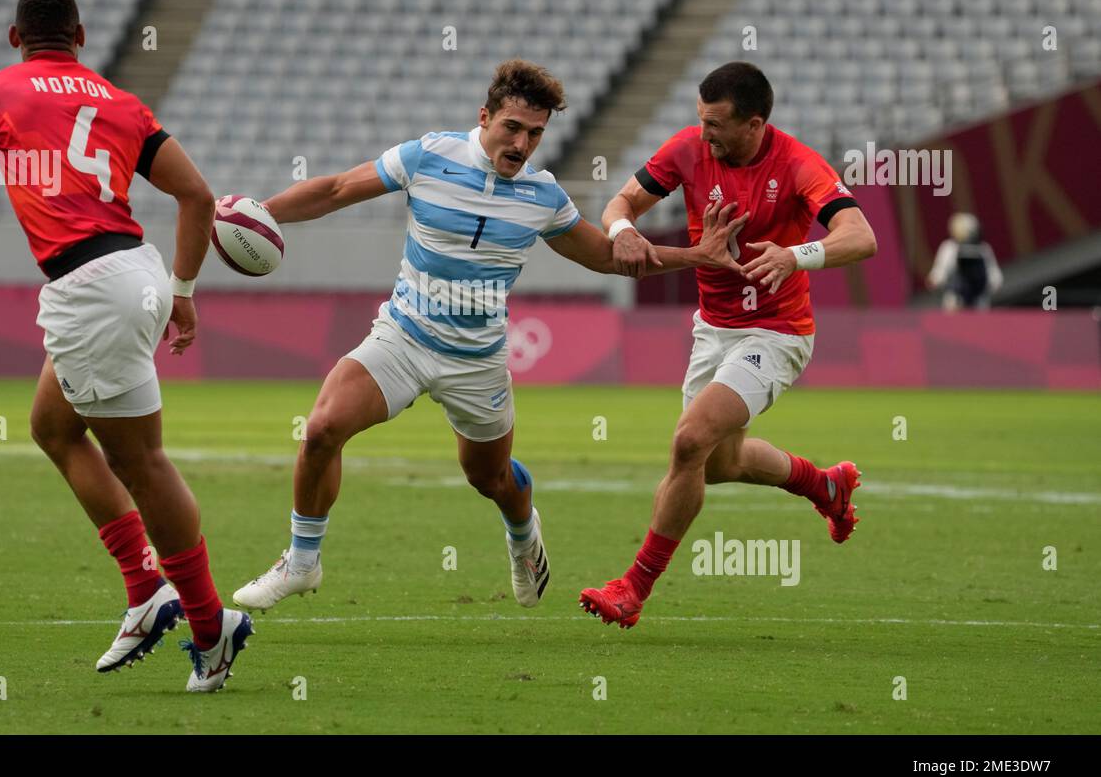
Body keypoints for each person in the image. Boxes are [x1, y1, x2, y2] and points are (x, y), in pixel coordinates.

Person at [232, 59, 747, 612]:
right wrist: (262, 213)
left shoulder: (544, 196)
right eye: (513, 128)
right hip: (403, 339)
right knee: (322, 429)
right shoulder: (428, 156)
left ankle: (524, 535)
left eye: (535, 134)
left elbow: (603, 256)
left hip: (477, 361)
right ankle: (302, 562)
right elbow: (335, 189)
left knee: (491, 477)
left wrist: (695, 256)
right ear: (484, 117)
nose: (523, 144)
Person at [0, 0, 250, 691]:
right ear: (80, 36)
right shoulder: (120, 102)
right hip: (135, 273)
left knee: (143, 464)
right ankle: (147, 589)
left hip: (89, 290)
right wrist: (182, 293)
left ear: (14, 37)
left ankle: (210, 627)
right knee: (52, 425)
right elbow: (197, 196)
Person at [579, 61, 878, 629]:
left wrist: (795, 255)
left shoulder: (796, 164)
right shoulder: (688, 151)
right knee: (718, 462)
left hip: (777, 332)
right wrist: (625, 233)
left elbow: (861, 237)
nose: (704, 133)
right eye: (700, 120)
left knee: (689, 441)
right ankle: (826, 485)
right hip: (712, 329)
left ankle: (632, 588)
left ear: (755, 124)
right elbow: (619, 205)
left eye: (715, 124)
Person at [926, 212, 1002, 310]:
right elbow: (941, 270)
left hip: (978, 299)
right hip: (956, 299)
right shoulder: (950, 248)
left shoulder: (983, 249)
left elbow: (992, 271)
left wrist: (995, 283)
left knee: (979, 324)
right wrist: (934, 280)